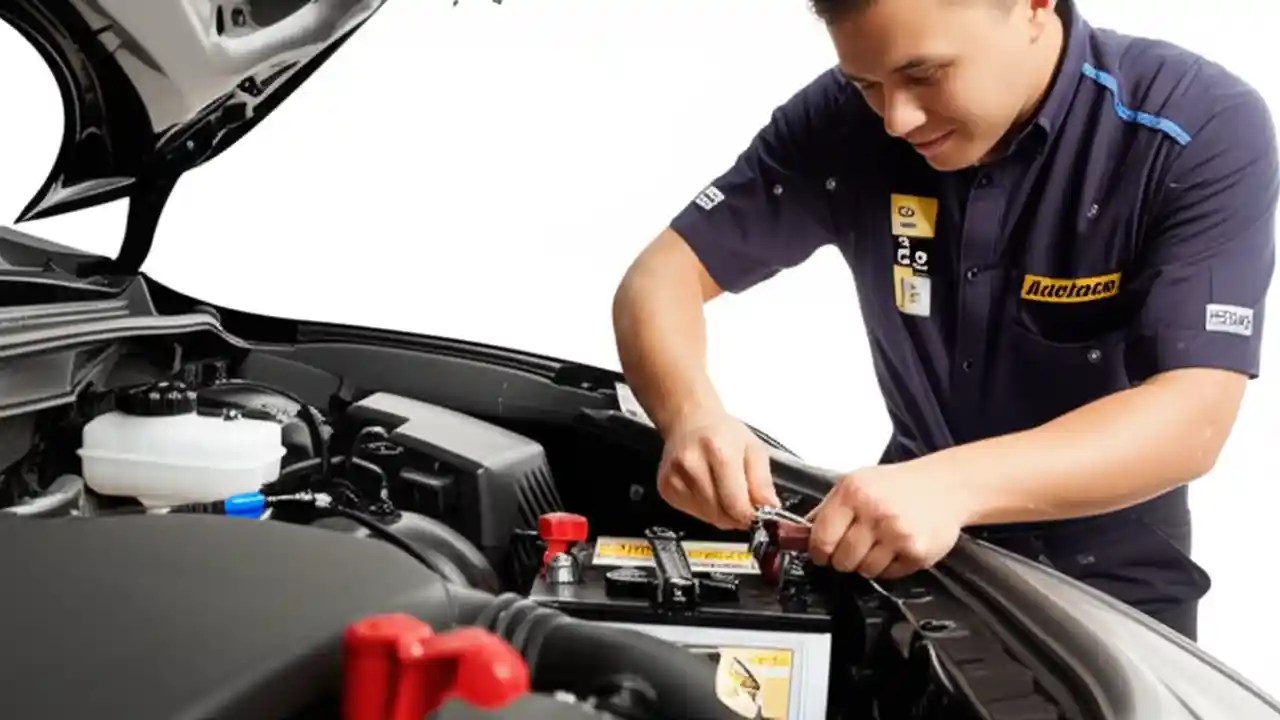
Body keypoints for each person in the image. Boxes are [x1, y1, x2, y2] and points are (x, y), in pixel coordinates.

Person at [610, 0, 1277, 641]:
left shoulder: (1195, 129)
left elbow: (1193, 420)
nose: (896, 118)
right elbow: (659, 277)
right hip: (901, 572)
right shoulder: (846, 122)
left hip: (1111, 604)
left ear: (1034, 5)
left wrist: (951, 486)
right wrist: (691, 415)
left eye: (924, 75)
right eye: (867, 82)